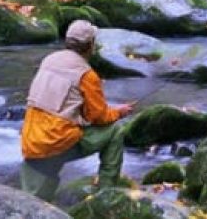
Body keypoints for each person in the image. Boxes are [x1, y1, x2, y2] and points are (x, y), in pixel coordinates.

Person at [19, 20, 135, 201]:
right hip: (56, 142)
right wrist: (119, 112)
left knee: (32, 202)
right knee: (115, 131)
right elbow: (99, 118)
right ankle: (106, 194)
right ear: (90, 46)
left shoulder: (49, 60)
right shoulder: (87, 75)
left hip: (31, 140)